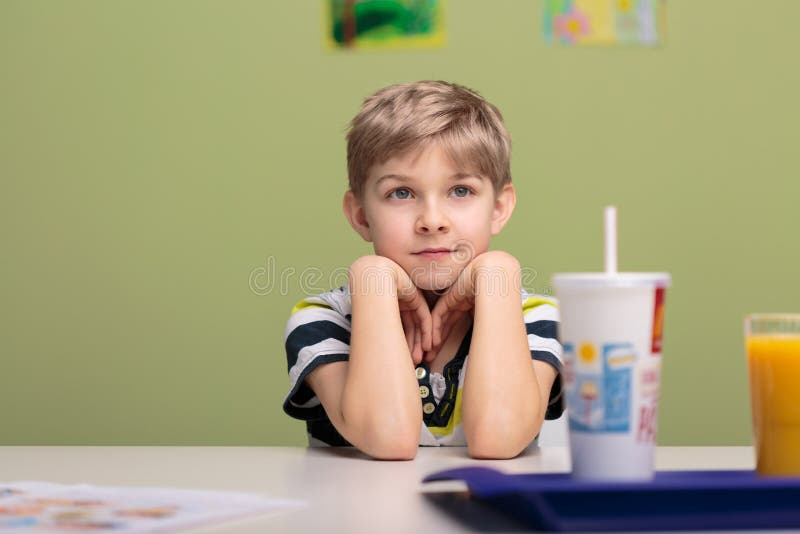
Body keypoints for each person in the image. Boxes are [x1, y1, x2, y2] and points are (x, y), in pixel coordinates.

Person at [282, 81, 563, 460]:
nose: (432, 221)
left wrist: (499, 272)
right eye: (401, 193)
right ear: (361, 216)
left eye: (460, 190)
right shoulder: (322, 320)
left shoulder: (537, 318)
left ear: (498, 209)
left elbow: (498, 440)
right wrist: (372, 278)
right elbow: (388, 439)